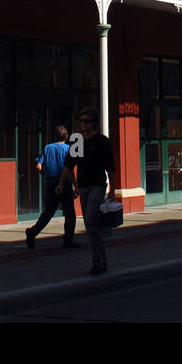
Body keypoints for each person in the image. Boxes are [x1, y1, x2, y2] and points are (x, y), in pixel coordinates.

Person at [57, 107, 116, 276]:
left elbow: (110, 167)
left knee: (90, 219)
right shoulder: (77, 141)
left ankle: (98, 260)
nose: (83, 124)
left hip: (98, 185)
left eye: (87, 121)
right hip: (83, 187)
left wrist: (112, 189)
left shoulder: (102, 141)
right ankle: (100, 258)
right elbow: (69, 165)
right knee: (90, 225)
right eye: (81, 121)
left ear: (94, 123)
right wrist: (61, 183)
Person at [25, 125, 78, 250]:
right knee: (70, 212)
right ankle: (68, 239)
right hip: (64, 182)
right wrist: (76, 185)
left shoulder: (47, 148)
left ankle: (33, 232)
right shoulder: (68, 149)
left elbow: (38, 166)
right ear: (66, 137)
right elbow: (70, 169)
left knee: (48, 212)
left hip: (50, 182)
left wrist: (46, 175)